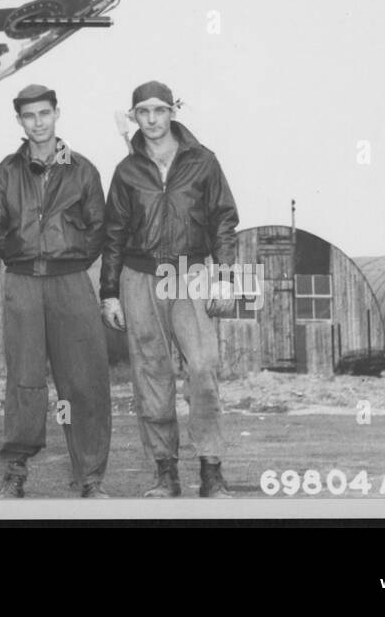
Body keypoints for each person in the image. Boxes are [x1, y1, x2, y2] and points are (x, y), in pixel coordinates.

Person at [99, 81, 240, 498]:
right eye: (143, 112)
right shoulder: (127, 171)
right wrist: (109, 292)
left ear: (173, 111)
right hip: (139, 276)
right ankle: (165, 473)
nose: (152, 119)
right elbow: (114, 234)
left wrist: (226, 277)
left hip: (190, 272)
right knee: (151, 378)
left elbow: (224, 222)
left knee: (203, 369)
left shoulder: (203, 161)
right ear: (134, 117)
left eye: (160, 110)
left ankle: (211, 469)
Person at [0, 84, 111, 499]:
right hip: (22, 283)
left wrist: (68, 259)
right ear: (18, 121)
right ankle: (16, 473)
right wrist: (24, 257)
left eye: (44, 114)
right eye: (29, 116)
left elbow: (98, 229)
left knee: (84, 380)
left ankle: (90, 477)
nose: (38, 123)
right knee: (24, 379)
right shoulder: (3, 172)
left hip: (71, 282)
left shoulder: (83, 170)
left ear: (57, 114)